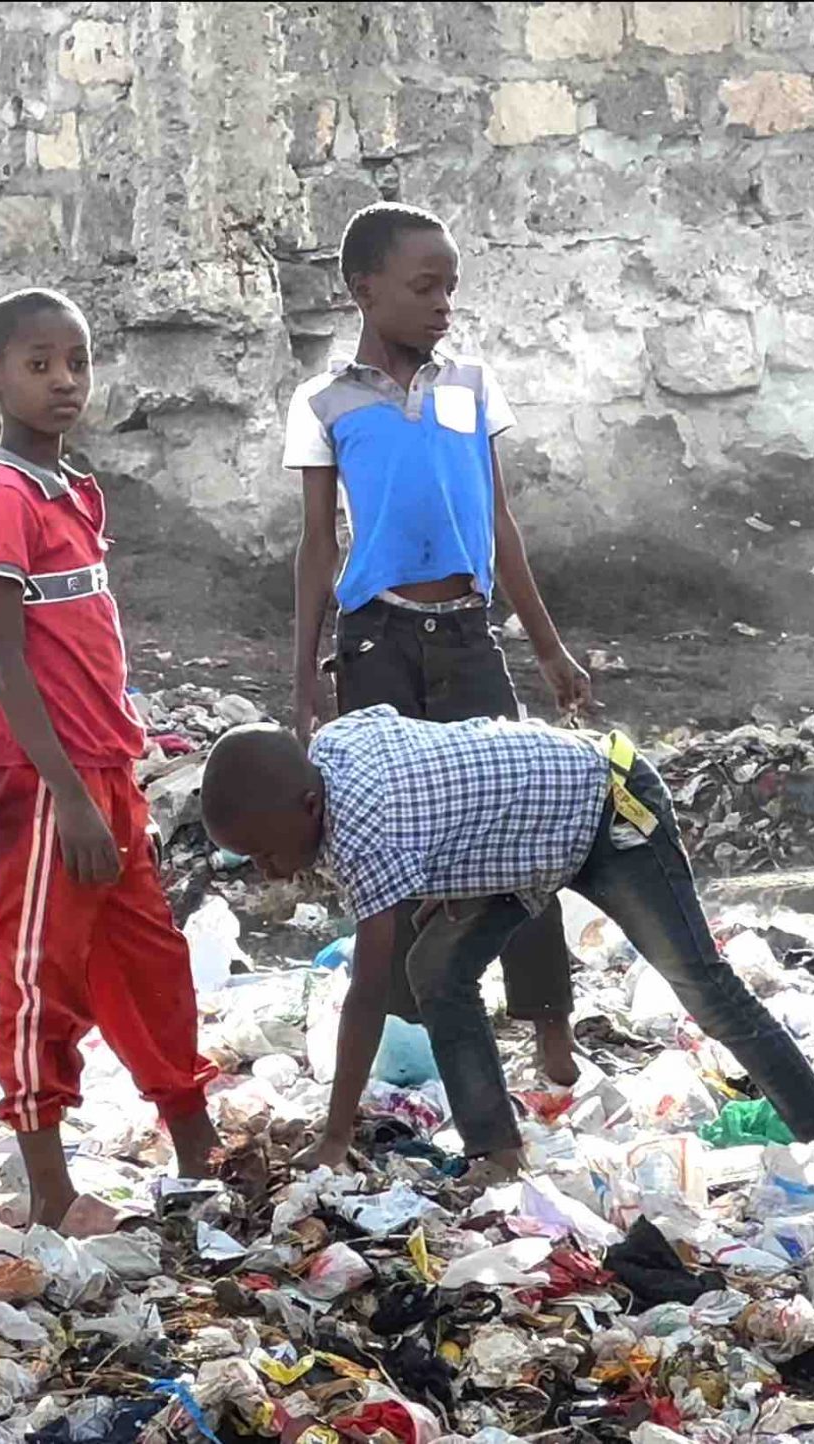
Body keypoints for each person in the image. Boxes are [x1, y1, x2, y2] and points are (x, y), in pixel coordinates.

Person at [198, 710, 814, 1194]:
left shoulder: (363, 827)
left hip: (609, 809)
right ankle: (496, 1151)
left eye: (267, 852)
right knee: (435, 969)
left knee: (701, 983)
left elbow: (367, 991)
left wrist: (336, 1135)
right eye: (249, 859)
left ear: (309, 804)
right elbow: (435, 766)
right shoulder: (333, 748)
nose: (266, 871)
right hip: (525, 842)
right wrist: (449, 873)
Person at [283, 201, 591, 1089]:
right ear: (363, 289)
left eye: (450, 288)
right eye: (424, 287)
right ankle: (412, 1033)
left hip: (466, 636)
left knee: (524, 819)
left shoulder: (472, 386)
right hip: (375, 644)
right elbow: (317, 547)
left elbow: (500, 523)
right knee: (392, 847)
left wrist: (547, 649)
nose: (443, 305)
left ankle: (550, 1027)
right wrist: (303, 679)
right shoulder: (324, 401)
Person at [0, 288, 218, 1230]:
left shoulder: (69, 486)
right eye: (38, 365)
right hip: (49, 782)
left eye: (77, 362)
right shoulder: (1, 494)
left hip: (106, 768)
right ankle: (50, 1192)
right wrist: (63, 786)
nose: (63, 381)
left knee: (150, 958)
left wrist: (104, 737)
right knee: (40, 974)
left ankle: (198, 1147)